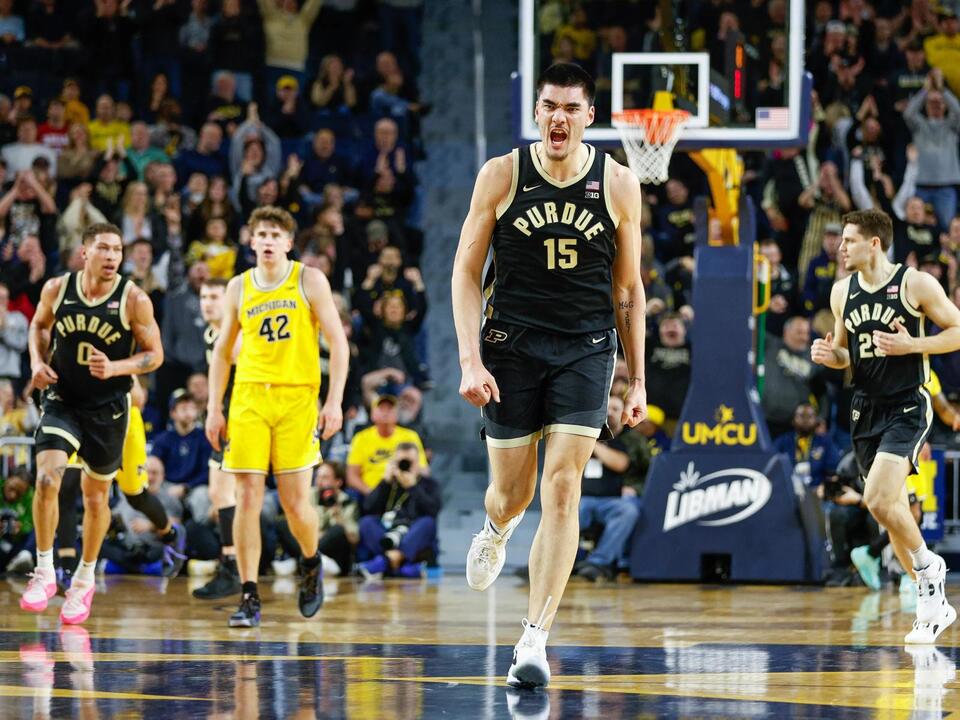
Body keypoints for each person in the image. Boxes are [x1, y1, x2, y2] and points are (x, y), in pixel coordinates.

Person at [452, 62, 646, 687]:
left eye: (571, 107)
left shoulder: (617, 185)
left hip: (586, 348)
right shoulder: (503, 174)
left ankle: (533, 640)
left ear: (590, 116)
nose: (558, 117)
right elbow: (464, 274)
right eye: (548, 106)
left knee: (564, 486)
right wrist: (470, 359)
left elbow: (629, 291)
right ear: (536, 112)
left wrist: (637, 378)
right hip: (510, 345)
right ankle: (496, 528)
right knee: (516, 494)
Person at [811, 208, 960, 643]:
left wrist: (913, 344)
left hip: (907, 403)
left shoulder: (915, 283)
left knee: (877, 499)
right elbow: (845, 353)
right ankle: (930, 600)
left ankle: (929, 569)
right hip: (865, 407)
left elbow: (956, 329)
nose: (840, 247)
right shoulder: (842, 292)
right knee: (888, 513)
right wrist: (830, 356)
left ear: (874, 243)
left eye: (849, 240)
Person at [205, 206, 348, 628]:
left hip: (297, 399)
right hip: (249, 396)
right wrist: (215, 406)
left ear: (288, 243)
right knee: (246, 496)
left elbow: (339, 345)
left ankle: (310, 560)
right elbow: (221, 353)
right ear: (251, 242)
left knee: (294, 503)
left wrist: (334, 400)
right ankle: (249, 595)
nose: (267, 240)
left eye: (275, 234)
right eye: (261, 233)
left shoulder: (309, 279)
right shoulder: (238, 287)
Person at [20, 222, 164, 624]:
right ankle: (45, 570)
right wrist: (36, 361)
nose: (113, 256)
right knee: (48, 478)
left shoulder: (134, 299)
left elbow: (155, 355)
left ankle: (83, 580)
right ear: (85, 253)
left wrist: (116, 367)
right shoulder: (57, 289)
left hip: (108, 409)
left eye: (118, 250)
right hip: (63, 399)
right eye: (104, 248)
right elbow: (40, 325)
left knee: (95, 498)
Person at [194, 277, 241, 599]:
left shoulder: (236, 331)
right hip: (226, 421)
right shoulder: (212, 332)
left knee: (228, 495)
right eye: (203, 296)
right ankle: (232, 565)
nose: (208, 302)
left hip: (244, 419)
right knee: (220, 494)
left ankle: (235, 569)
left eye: (214, 296)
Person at [357, 442, 441, 580]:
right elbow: (368, 508)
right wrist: (385, 481)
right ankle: (401, 566)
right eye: (401, 462)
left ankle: (385, 562)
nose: (405, 466)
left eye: (409, 462)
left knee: (428, 523)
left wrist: (413, 487)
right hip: (388, 532)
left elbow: (433, 511)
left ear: (418, 463)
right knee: (366, 522)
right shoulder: (389, 483)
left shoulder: (429, 484)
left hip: (413, 533)